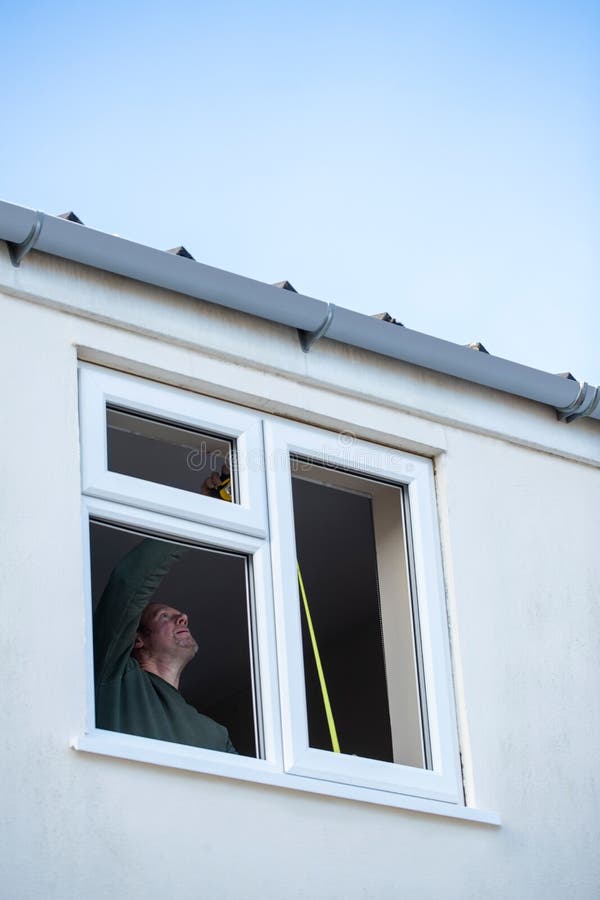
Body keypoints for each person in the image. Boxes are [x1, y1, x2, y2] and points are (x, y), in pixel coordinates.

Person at [93, 537, 237, 753]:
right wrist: (195, 520)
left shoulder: (215, 735)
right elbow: (130, 583)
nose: (183, 618)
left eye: (180, 615)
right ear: (137, 639)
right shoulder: (118, 680)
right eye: (164, 616)